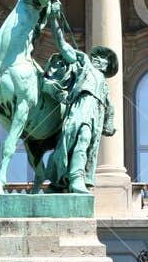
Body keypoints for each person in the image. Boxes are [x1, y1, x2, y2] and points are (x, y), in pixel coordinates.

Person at [44, 18, 118, 193]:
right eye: (96, 57)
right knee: (75, 137)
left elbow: (110, 107)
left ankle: (75, 177)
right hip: (81, 105)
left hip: (96, 113)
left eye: (102, 59)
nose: (97, 59)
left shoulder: (104, 86)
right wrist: (54, 22)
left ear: (106, 66)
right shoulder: (85, 65)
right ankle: (71, 177)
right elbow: (63, 46)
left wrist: (109, 124)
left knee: (86, 142)